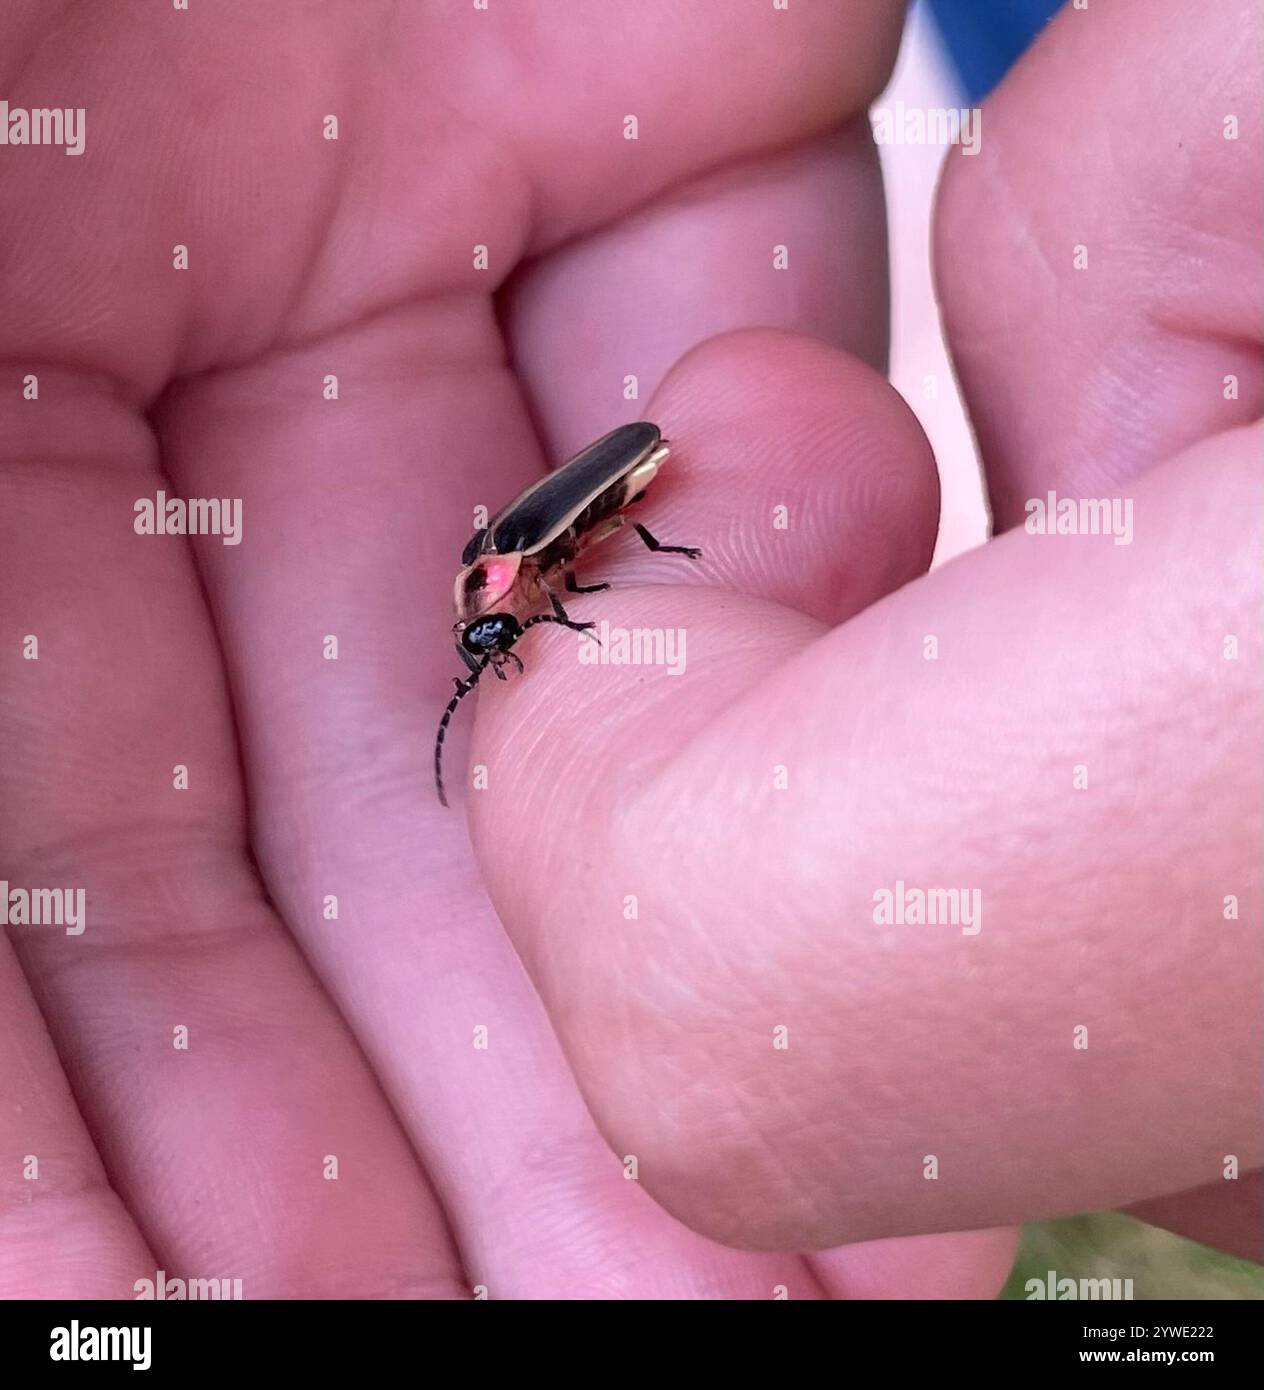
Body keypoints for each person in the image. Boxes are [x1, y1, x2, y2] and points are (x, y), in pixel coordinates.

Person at [0, 0, 1256, 1298]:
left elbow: (569, 541)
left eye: (497, 637)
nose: (506, 644)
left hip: (648, 438)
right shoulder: (500, 584)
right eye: (497, 640)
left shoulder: (518, 572)